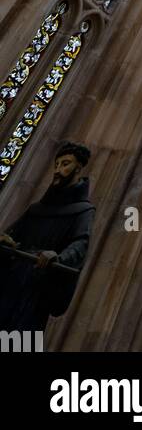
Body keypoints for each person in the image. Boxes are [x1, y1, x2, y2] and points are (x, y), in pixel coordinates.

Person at [0, 141, 95, 332]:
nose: (58, 170)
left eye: (65, 164)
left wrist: (57, 257)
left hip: (37, 286)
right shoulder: (38, 208)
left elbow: (80, 244)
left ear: (78, 168)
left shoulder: (83, 210)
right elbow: (12, 233)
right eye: (57, 165)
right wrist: (6, 240)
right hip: (12, 282)